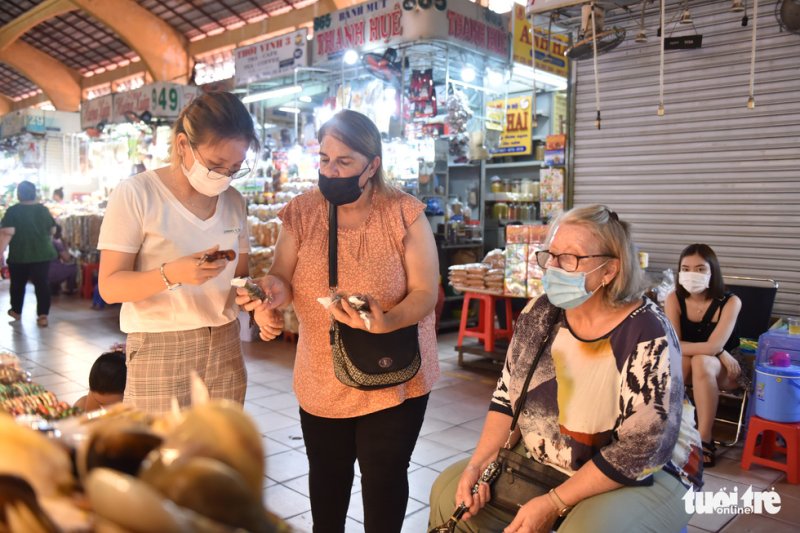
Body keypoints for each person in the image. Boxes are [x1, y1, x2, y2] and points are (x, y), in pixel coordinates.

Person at [428, 205, 703, 533]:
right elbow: (506, 399)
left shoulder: (647, 331)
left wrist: (555, 502)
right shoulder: (541, 313)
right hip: (551, 458)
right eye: (551, 255)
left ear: (608, 271)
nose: (554, 268)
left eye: (570, 258)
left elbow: (643, 448)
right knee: (449, 491)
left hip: (649, 471)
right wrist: (478, 464)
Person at [237, 110, 440, 533]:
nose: (331, 171)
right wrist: (271, 293)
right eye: (324, 159)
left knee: (383, 479)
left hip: (393, 373)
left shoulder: (404, 213)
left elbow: (425, 292)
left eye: (344, 162)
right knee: (327, 478)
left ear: (373, 165)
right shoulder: (302, 211)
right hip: (322, 372)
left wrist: (389, 320)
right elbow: (282, 275)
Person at [97, 91, 258, 414]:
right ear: (183, 145)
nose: (224, 176)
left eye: (235, 167)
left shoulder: (234, 201)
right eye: (215, 165)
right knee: (162, 456)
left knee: (219, 456)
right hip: (160, 346)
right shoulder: (137, 193)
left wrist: (257, 299)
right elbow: (110, 286)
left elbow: (240, 277)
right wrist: (170, 274)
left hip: (225, 344)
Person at [665, 243, 742, 468]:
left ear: (712, 272)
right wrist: (718, 349)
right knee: (685, 360)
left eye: (700, 269)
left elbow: (709, 346)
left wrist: (717, 350)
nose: (692, 274)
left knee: (701, 361)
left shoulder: (731, 302)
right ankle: (673, 433)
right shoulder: (673, 299)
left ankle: (704, 439)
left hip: (728, 369)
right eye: (686, 268)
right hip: (695, 365)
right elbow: (673, 344)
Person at [0, 181, 57, 327]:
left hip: (20, 254)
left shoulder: (13, 211)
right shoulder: (43, 210)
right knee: (42, 284)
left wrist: (0, 251)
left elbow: (7, 233)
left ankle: (16, 311)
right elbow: (53, 230)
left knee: (18, 284)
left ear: (19, 194)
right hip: (42, 253)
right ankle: (43, 315)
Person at [49, 224, 78, 295]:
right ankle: (70, 290)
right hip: (53, 272)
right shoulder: (56, 243)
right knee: (74, 268)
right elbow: (66, 258)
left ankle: (54, 287)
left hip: (42, 271)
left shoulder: (44, 242)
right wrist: (65, 246)